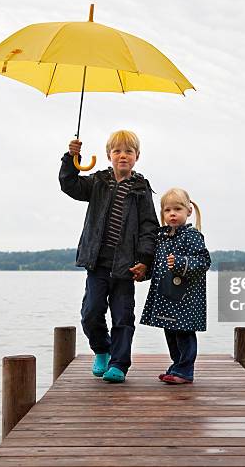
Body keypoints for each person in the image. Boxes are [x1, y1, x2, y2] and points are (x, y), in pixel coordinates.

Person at [59, 130, 159, 383]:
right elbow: (69, 185)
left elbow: (149, 227)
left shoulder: (141, 188)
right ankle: (102, 350)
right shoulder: (98, 182)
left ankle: (119, 364)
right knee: (91, 312)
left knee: (123, 317)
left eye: (128, 151)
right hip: (97, 263)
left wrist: (145, 261)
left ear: (137, 156)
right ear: (108, 155)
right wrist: (70, 158)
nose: (123, 155)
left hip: (126, 267)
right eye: (117, 151)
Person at [140, 188, 211, 384]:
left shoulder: (192, 235)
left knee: (184, 333)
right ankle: (177, 365)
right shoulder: (162, 238)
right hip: (165, 295)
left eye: (177, 209)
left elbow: (203, 261)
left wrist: (181, 263)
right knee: (170, 332)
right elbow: (157, 265)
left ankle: (185, 370)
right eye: (167, 210)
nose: (172, 214)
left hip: (185, 297)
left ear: (188, 211)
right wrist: (143, 273)